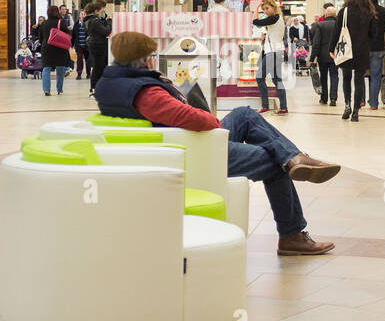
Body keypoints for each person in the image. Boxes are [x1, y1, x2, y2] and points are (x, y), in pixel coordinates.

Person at [96, 31, 341, 255]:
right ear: (142, 59)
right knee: (272, 161)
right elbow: (189, 118)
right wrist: (210, 119)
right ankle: (292, 234)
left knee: (244, 114)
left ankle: (294, 157)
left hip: (186, 143)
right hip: (195, 152)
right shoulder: (145, 92)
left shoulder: (113, 82)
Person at [334, 0, 373, 122]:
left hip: (346, 50)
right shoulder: (368, 13)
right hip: (362, 50)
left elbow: (336, 32)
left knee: (346, 78)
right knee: (359, 80)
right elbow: (373, 34)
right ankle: (356, 111)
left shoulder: (343, 12)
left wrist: (331, 49)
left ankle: (347, 106)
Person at [252, 0, 288, 114]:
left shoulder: (275, 18)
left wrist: (257, 7)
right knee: (277, 79)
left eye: (267, 8)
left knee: (259, 77)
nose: (266, 11)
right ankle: (283, 107)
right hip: (277, 51)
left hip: (273, 52)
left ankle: (265, 105)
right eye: (264, 9)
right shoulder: (278, 19)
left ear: (274, 7)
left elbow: (255, 21)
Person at [309, 3, 340, 106]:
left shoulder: (320, 25)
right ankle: (333, 99)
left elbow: (316, 43)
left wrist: (312, 57)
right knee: (334, 76)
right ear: (335, 15)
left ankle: (324, 98)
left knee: (323, 77)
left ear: (326, 15)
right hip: (335, 55)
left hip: (322, 56)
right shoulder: (339, 25)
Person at [38, 5, 70, 96]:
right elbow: (67, 35)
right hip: (60, 48)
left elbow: (40, 38)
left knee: (46, 68)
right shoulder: (61, 22)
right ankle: (59, 89)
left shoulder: (44, 23)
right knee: (60, 69)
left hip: (47, 48)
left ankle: (46, 90)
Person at [366, 0, 385, 110]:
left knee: (360, 75)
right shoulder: (384, 11)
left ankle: (360, 101)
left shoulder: (363, 10)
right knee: (376, 76)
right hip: (378, 47)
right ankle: (374, 104)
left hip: (364, 47)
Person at [84, 0, 112, 97]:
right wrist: (109, 22)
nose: (102, 12)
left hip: (97, 45)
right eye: (102, 10)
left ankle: (98, 88)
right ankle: (93, 88)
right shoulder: (94, 21)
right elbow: (105, 31)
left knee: (100, 67)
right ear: (96, 11)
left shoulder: (91, 19)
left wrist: (104, 20)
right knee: (97, 67)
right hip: (98, 45)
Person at [73, 11, 89, 80]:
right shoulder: (76, 24)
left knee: (88, 60)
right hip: (79, 44)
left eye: (84, 14)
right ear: (79, 15)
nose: (83, 15)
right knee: (79, 60)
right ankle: (79, 73)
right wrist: (72, 44)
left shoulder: (88, 23)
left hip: (87, 45)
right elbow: (73, 35)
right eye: (82, 14)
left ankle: (88, 73)